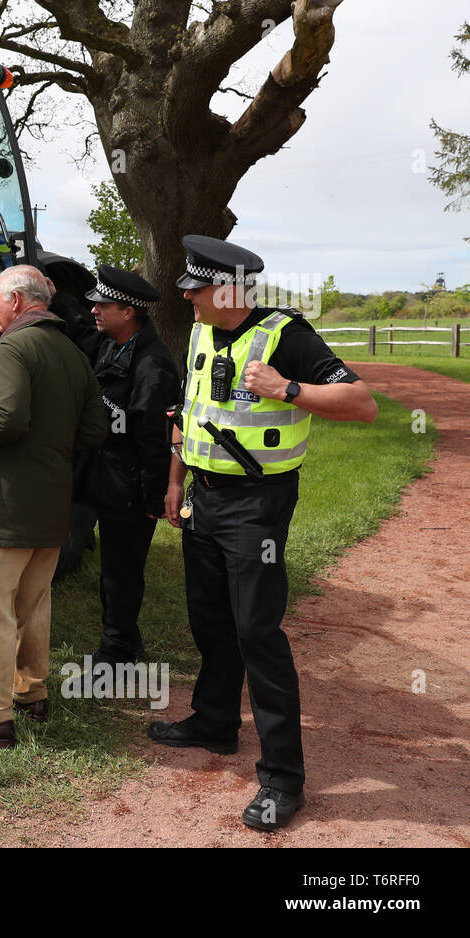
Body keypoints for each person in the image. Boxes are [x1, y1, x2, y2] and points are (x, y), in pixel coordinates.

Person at [151, 235, 378, 831]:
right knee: (208, 617)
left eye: (196, 289)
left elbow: (363, 403)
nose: (187, 299)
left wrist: (288, 389)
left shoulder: (285, 335)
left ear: (227, 290)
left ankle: (283, 778)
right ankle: (215, 720)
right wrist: (175, 483)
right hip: (203, 494)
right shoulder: (201, 332)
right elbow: (190, 413)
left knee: (257, 632)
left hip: (257, 506)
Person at [0, 265, 109, 748]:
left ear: (17, 301)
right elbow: (95, 430)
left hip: (6, 508)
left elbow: (6, 418)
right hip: (55, 505)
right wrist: (52, 447)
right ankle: (32, 694)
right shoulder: (73, 352)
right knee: (33, 605)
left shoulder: (13, 346)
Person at [78, 265, 180, 666]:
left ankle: (117, 653)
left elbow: (156, 442)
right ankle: (125, 641)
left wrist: (154, 498)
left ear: (128, 311)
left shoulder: (152, 367)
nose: (94, 311)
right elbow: (76, 330)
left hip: (133, 489)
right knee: (112, 569)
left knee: (122, 572)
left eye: (103, 304)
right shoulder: (111, 344)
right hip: (110, 478)